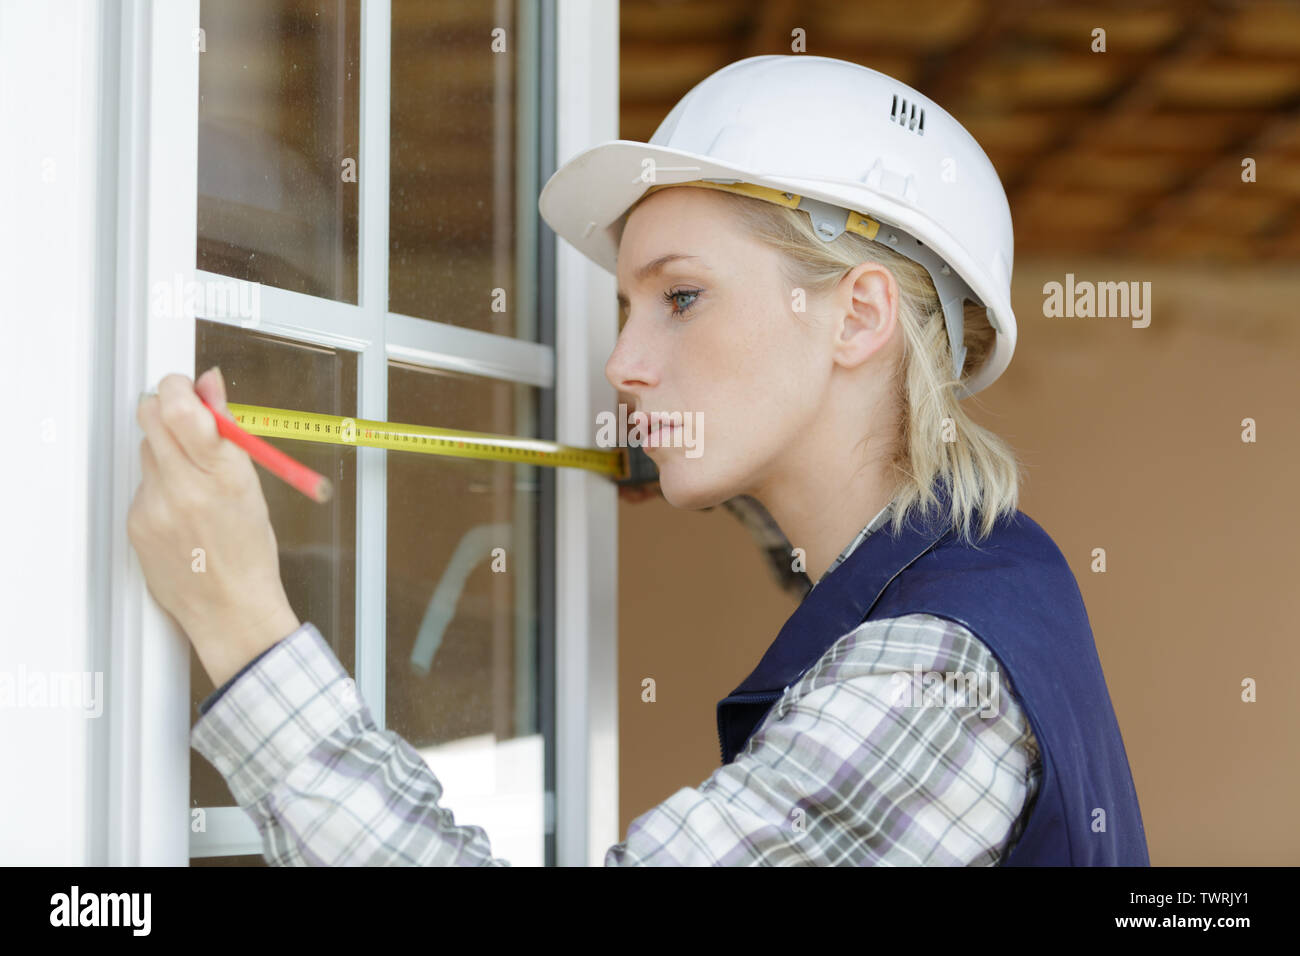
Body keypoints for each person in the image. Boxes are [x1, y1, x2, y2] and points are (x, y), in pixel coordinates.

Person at [128, 54, 1148, 865]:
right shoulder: (998, 564)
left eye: (683, 297)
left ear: (857, 314)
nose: (622, 364)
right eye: (628, 307)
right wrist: (720, 479)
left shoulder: (930, 677)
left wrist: (245, 627)